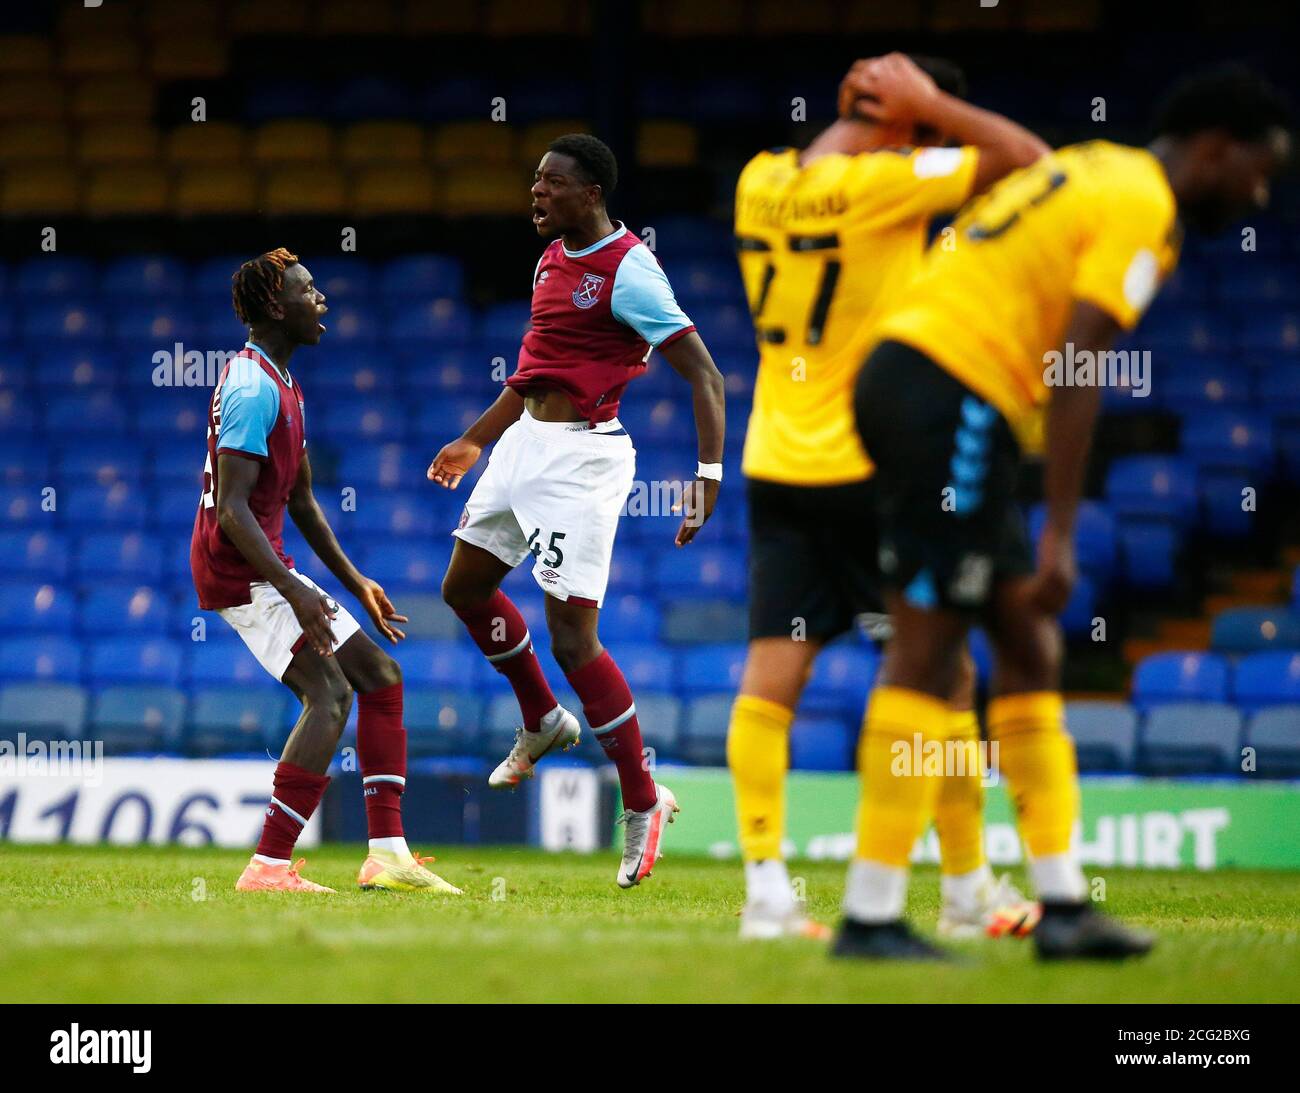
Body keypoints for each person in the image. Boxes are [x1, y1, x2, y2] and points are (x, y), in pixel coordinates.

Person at [835, 64, 1291, 959]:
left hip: (931, 378)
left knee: (1024, 640)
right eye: (1259, 170)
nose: (1260, 193)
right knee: (928, 645)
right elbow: (1082, 360)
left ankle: (1064, 907)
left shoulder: (1093, 165)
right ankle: (871, 911)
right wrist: (1062, 532)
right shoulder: (1144, 207)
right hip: (951, 387)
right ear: (1215, 149)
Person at [729, 53, 1047, 940]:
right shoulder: (883, 184)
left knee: (771, 677)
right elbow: (1030, 163)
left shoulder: (761, 180)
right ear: (908, 129)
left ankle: (765, 894)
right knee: (943, 671)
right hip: (871, 466)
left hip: (776, 462)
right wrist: (935, 103)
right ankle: (966, 886)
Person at [428, 135, 727, 889]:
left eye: (551, 184)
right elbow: (534, 370)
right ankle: (542, 719)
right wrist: (474, 440)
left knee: (573, 638)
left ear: (590, 192)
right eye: (534, 182)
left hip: (583, 462)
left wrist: (708, 473)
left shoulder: (630, 270)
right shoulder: (550, 259)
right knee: (463, 589)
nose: (536, 193)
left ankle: (642, 800)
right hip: (525, 444)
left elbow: (706, 374)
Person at [192, 247, 460, 895]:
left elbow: (302, 499)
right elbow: (231, 511)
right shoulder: (255, 386)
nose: (323, 301)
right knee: (331, 692)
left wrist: (353, 580)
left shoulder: (282, 381)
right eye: (309, 290)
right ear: (276, 307)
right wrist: (291, 589)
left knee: (380, 674)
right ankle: (268, 867)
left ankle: (388, 853)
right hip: (242, 573)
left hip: (268, 566)